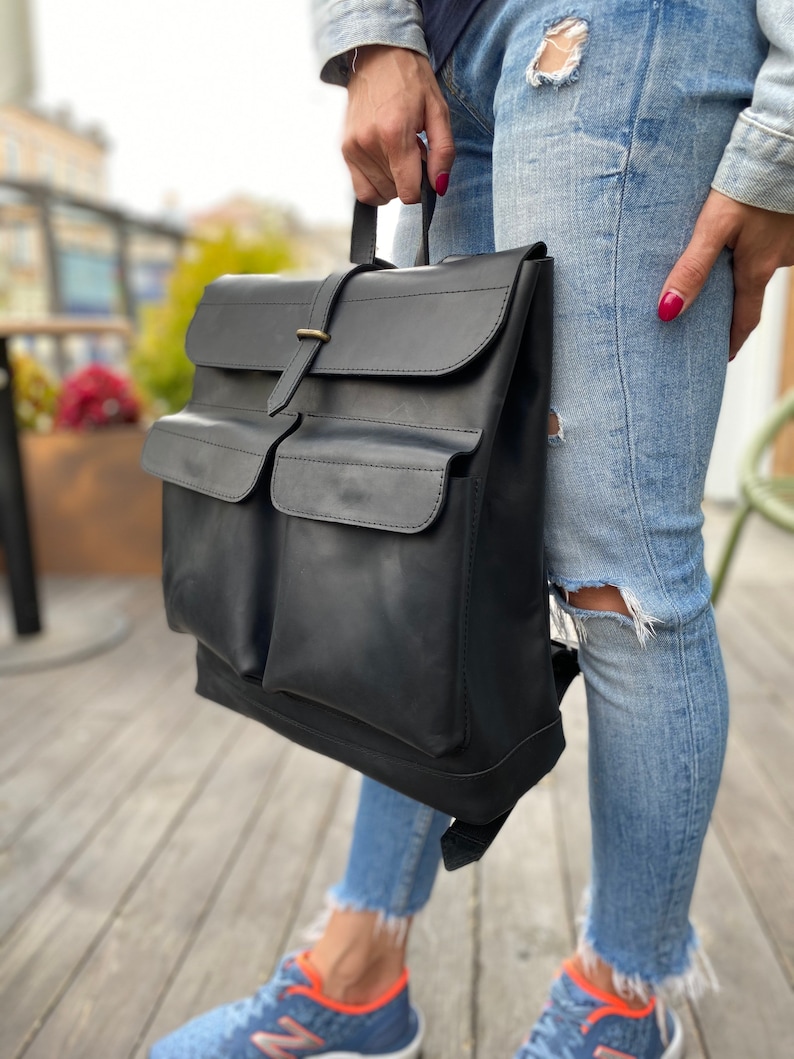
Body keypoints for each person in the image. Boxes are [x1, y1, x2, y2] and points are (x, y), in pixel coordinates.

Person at [150, 2, 794, 1057]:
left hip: (634, 34)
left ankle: (618, 1006)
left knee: (619, 575)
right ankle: (353, 981)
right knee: (435, 540)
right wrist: (372, 32)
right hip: (450, 60)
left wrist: (777, 140)